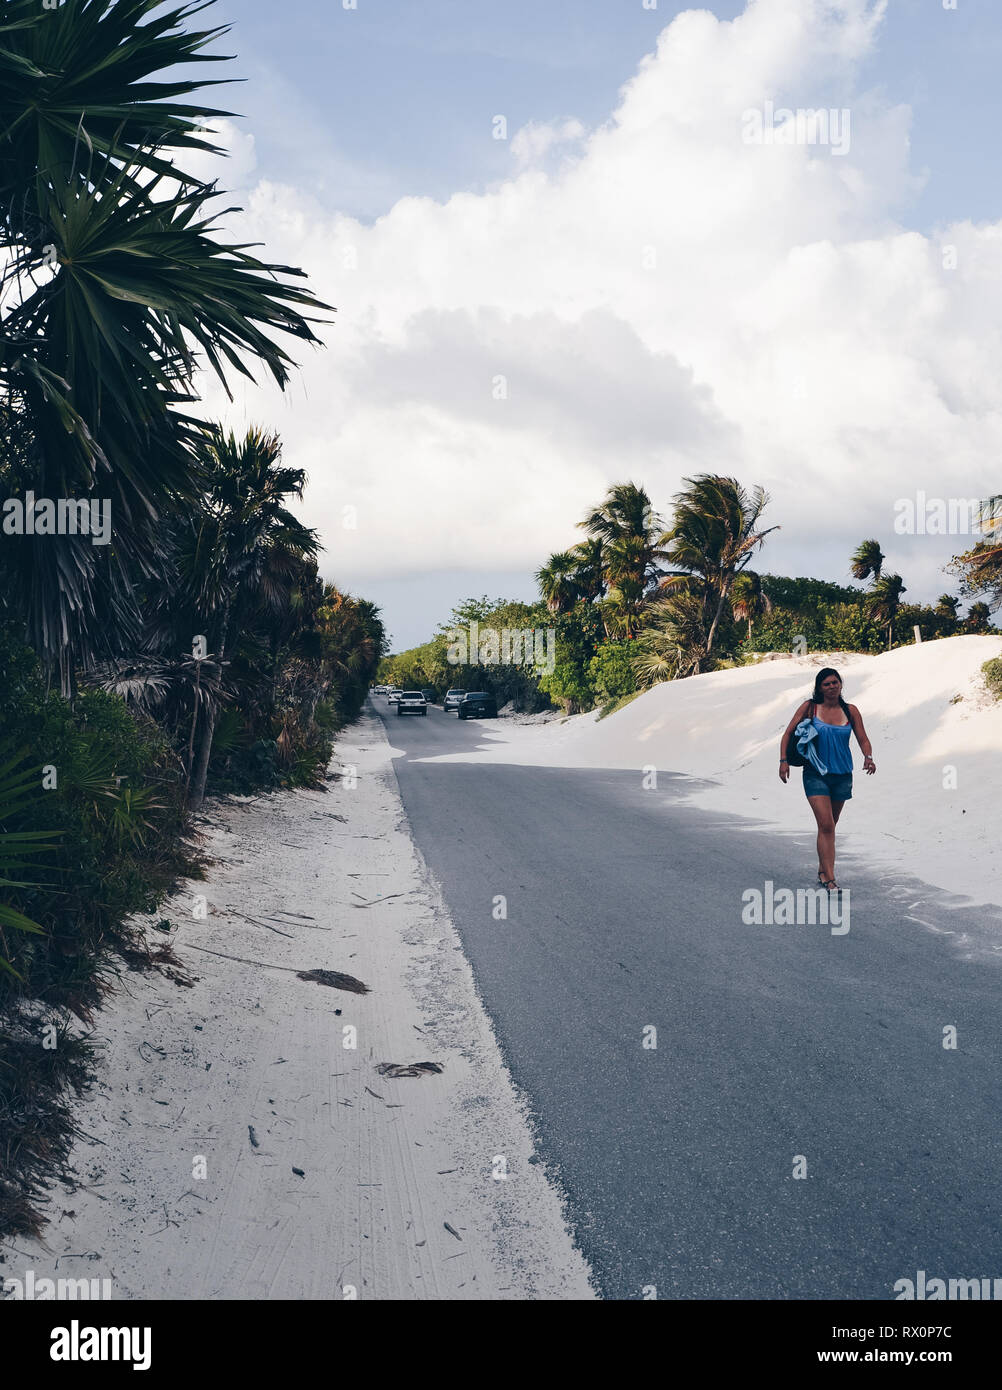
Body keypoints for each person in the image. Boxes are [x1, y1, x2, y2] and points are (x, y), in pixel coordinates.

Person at [779, 667, 875, 892]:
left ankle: (823, 870)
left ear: (841, 684)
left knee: (830, 826)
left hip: (842, 774)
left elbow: (863, 738)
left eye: (835, 682)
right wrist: (783, 760)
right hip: (815, 774)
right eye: (827, 684)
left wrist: (868, 757)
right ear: (819, 687)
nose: (832, 687)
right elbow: (787, 733)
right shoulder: (810, 708)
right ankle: (830, 879)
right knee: (826, 824)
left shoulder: (850, 711)